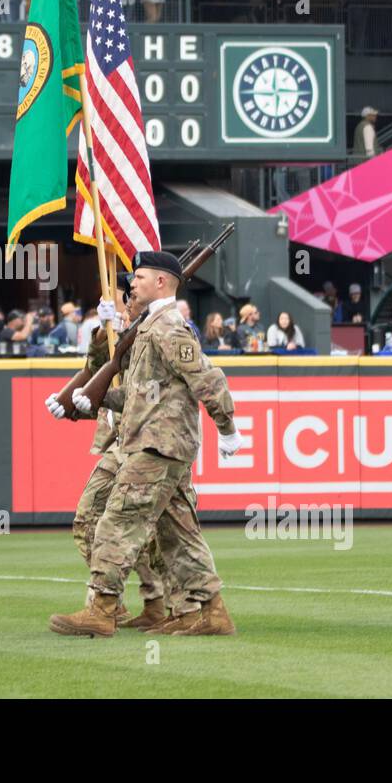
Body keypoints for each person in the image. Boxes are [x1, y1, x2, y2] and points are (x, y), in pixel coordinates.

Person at [58, 250, 239, 637]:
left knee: (116, 523)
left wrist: (227, 427)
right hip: (157, 442)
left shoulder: (166, 326)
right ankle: (209, 612)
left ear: (161, 282)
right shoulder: (148, 328)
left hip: (159, 446)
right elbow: (142, 395)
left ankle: (102, 608)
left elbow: (208, 378)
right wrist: (95, 398)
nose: (131, 283)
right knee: (178, 534)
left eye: (139, 276)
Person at [45, 284, 174, 630]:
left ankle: (126, 604)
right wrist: (103, 332)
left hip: (147, 439)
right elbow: (99, 368)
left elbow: (141, 385)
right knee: (104, 524)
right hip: (121, 440)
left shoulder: (157, 329)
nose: (121, 303)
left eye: (121, 298)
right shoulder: (124, 333)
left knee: (141, 526)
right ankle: (131, 602)